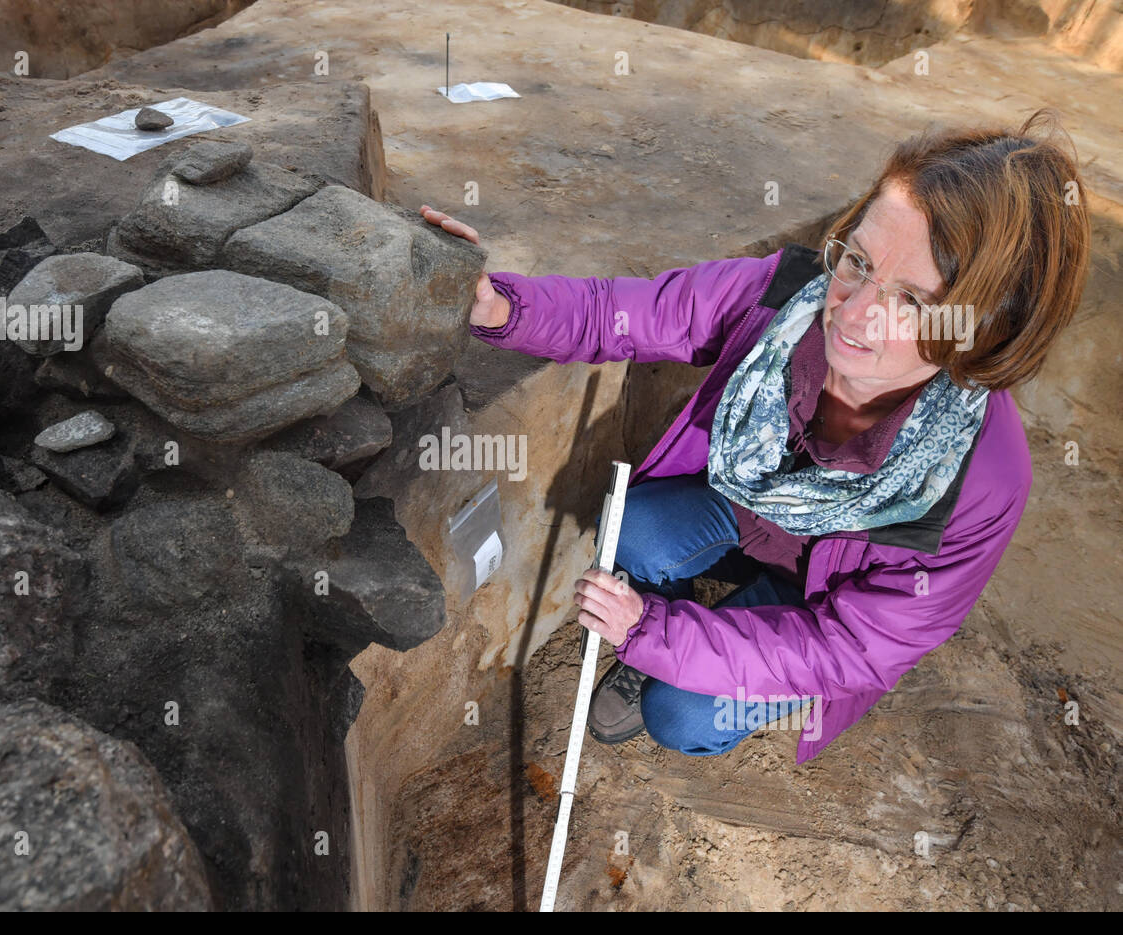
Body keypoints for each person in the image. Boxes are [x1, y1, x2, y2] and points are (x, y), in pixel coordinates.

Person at [419, 107, 1090, 764]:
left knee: (679, 716)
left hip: (818, 603)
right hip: (743, 515)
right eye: (857, 261)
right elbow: (631, 312)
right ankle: (681, 633)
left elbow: (849, 647)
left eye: (912, 301)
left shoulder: (983, 480)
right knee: (635, 530)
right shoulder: (782, 298)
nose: (852, 315)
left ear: (983, 330)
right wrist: (503, 306)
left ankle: (683, 644)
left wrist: (648, 632)